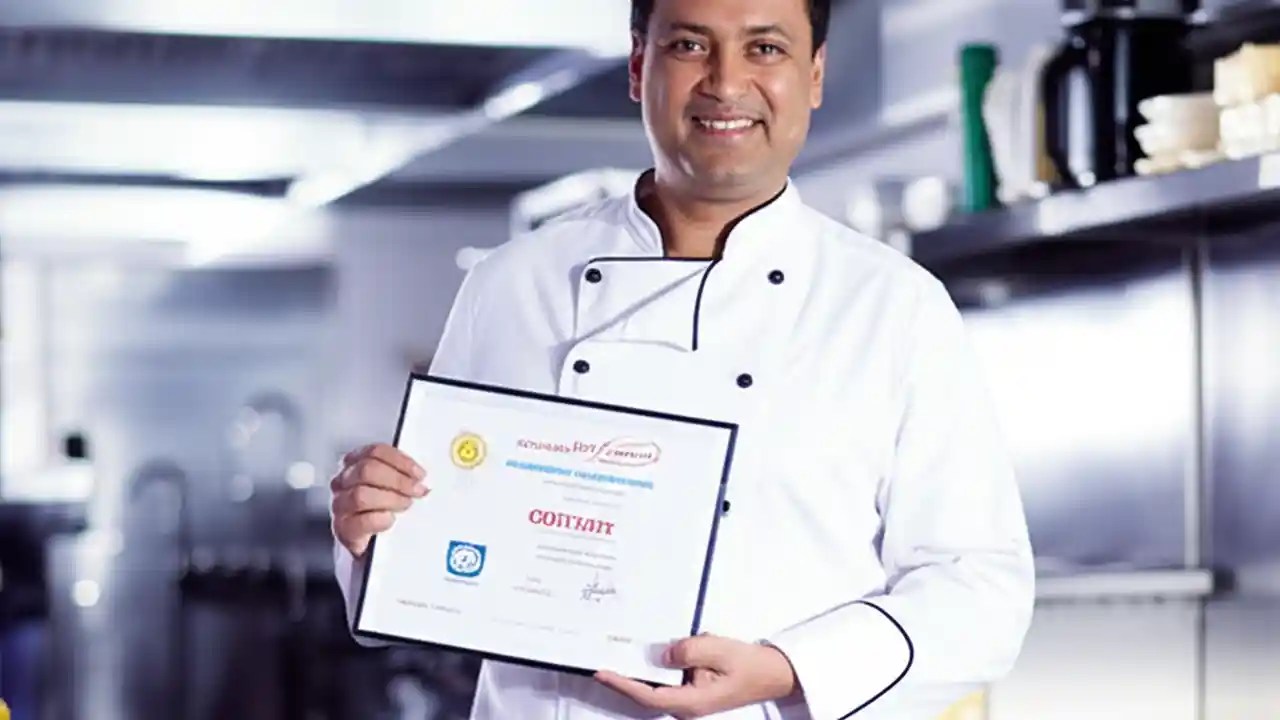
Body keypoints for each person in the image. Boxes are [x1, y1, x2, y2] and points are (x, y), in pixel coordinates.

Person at [329, 0, 1036, 717]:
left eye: (765, 49)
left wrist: (788, 668)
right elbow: (434, 552)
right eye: (691, 46)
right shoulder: (511, 283)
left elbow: (981, 591)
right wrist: (371, 532)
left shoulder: (893, 306)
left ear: (815, 73)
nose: (725, 84)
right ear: (639, 65)